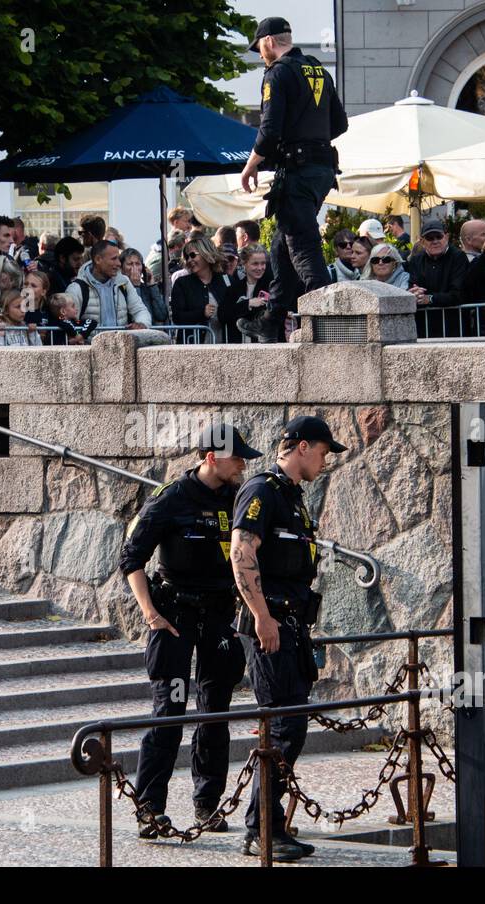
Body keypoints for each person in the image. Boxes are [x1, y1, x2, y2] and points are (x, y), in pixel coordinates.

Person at [119, 422, 261, 838]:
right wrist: (150, 613)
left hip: (218, 619)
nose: (243, 465)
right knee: (170, 711)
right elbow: (131, 558)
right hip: (175, 619)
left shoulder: (237, 499)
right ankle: (150, 809)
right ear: (212, 457)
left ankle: (207, 805)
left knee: (214, 714)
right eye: (238, 457)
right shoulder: (171, 498)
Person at [230, 414, 343, 862]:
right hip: (270, 627)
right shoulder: (262, 491)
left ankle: (266, 824)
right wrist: (261, 615)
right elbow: (241, 553)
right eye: (322, 451)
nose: (324, 460)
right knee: (282, 725)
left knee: (290, 728)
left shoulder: (293, 499)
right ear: (301, 447)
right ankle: (261, 829)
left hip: (292, 627)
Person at [240, 16, 348, 339]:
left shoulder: (278, 73)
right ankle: (273, 319)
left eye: (259, 47)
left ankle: (328, 327)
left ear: (270, 41)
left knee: (303, 250)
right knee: (281, 246)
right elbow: (339, 124)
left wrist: (251, 165)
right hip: (321, 171)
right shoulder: (318, 69)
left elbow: (269, 130)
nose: (260, 54)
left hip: (297, 173)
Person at [67, 239, 151, 331]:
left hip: (121, 344)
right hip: (90, 345)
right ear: (98, 259)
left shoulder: (123, 282)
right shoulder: (76, 289)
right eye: (114, 259)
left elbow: (140, 310)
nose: (119, 263)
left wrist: (142, 324)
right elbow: (68, 321)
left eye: (118, 259)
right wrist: (78, 336)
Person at [406, 218, 469, 337]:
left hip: (454, 327)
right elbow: (413, 287)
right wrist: (415, 294)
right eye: (430, 238)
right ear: (422, 241)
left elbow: (457, 294)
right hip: (424, 327)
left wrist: (429, 299)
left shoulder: (458, 257)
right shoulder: (416, 260)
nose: (435, 241)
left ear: (447, 237)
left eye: (438, 236)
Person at [170, 237, 233, 339]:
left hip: (223, 344)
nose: (189, 260)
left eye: (193, 255)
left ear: (206, 253)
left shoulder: (226, 280)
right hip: (194, 346)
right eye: (187, 257)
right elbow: (177, 317)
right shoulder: (182, 283)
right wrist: (202, 313)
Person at [220, 243, 272, 342]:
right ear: (244, 263)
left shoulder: (271, 287)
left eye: (263, 263)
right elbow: (223, 314)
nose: (260, 268)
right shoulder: (234, 288)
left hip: (263, 346)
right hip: (237, 346)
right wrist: (248, 303)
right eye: (255, 264)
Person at [122, 248, 168, 327]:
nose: (135, 268)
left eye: (137, 264)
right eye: (130, 264)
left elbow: (162, 315)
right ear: (122, 268)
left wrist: (152, 285)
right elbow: (135, 316)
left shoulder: (147, 288)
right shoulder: (120, 289)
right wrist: (135, 287)